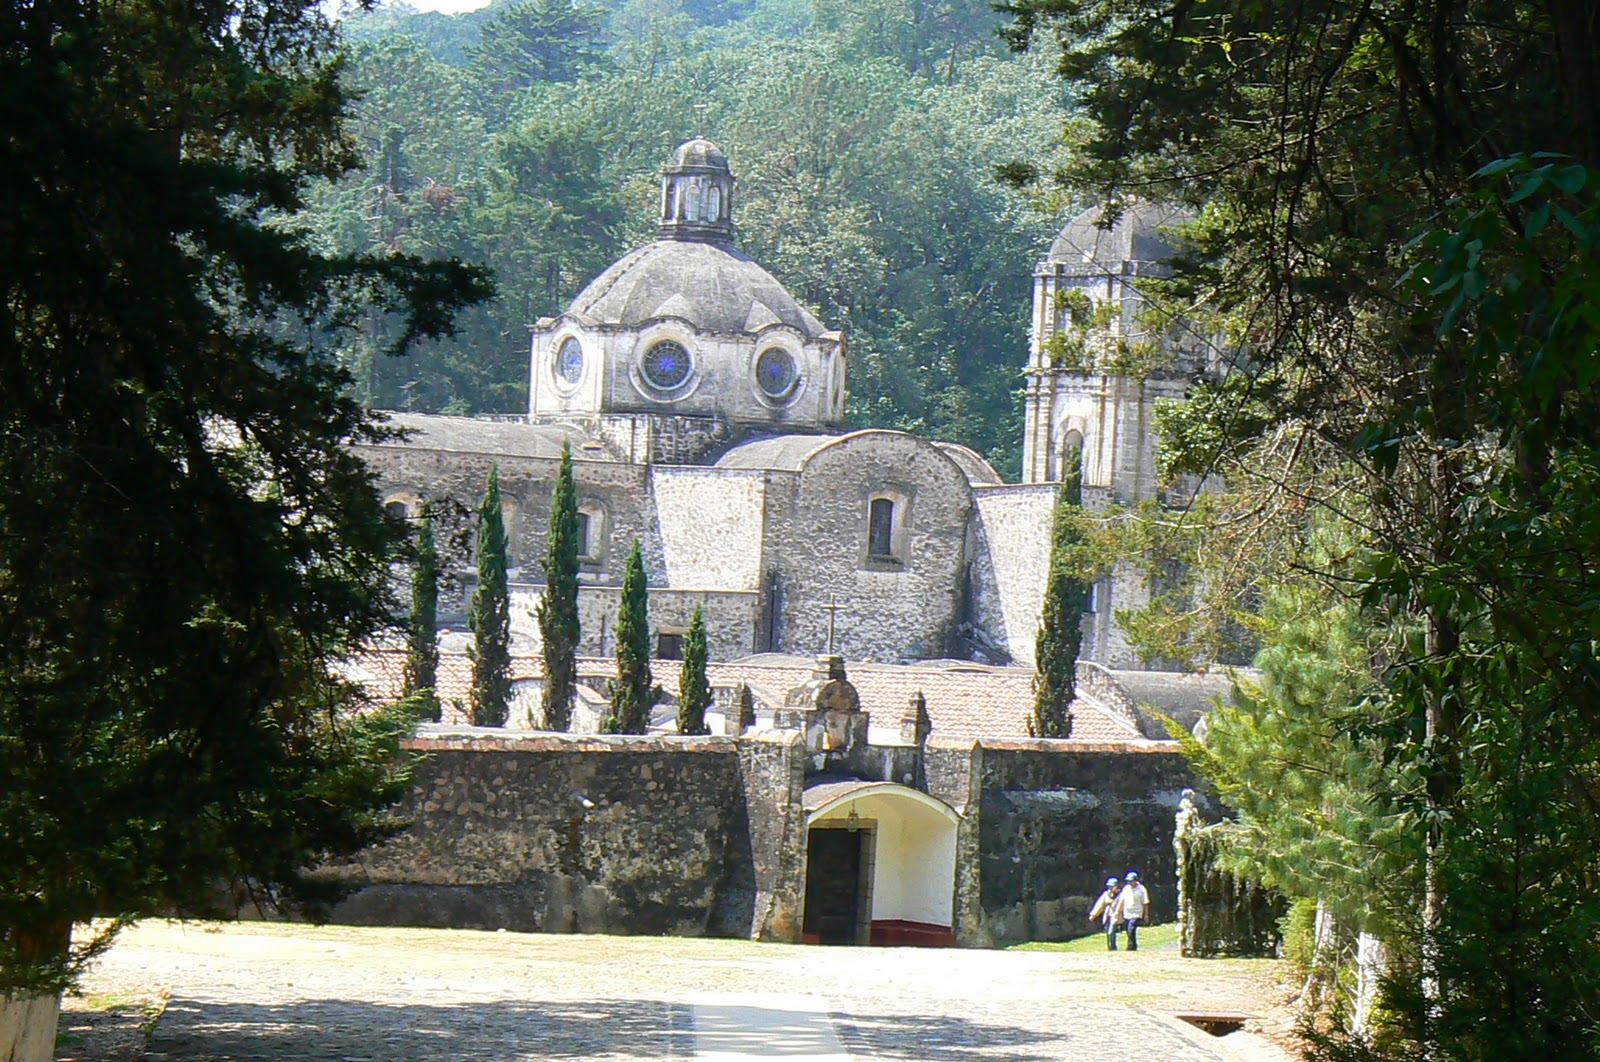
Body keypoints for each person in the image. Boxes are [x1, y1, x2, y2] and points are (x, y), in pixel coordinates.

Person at [1112, 871, 1151, 951]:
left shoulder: (1141, 889)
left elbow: (1146, 903)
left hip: (1137, 913)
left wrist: (1146, 915)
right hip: (1127, 913)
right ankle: (1133, 945)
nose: (1130, 883)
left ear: (1135, 880)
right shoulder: (1126, 889)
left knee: (1131, 928)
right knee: (1128, 929)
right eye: (1129, 881)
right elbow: (1121, 901)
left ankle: (1131, 946)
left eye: (1131, 881)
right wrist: (1117, 912)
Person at [1088, 876, 1121, 950]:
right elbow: (1100, 904)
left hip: (1117, 916)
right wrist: (1094, 914)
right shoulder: (1106, 894)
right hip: (1108, 916)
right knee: (1108, 932)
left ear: (1116, 886)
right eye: (1109, 886)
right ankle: (1110, 948)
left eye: (1112, 886)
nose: (1110, 888)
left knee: (1111, 931)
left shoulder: (1121, 894)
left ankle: (1113, 947)